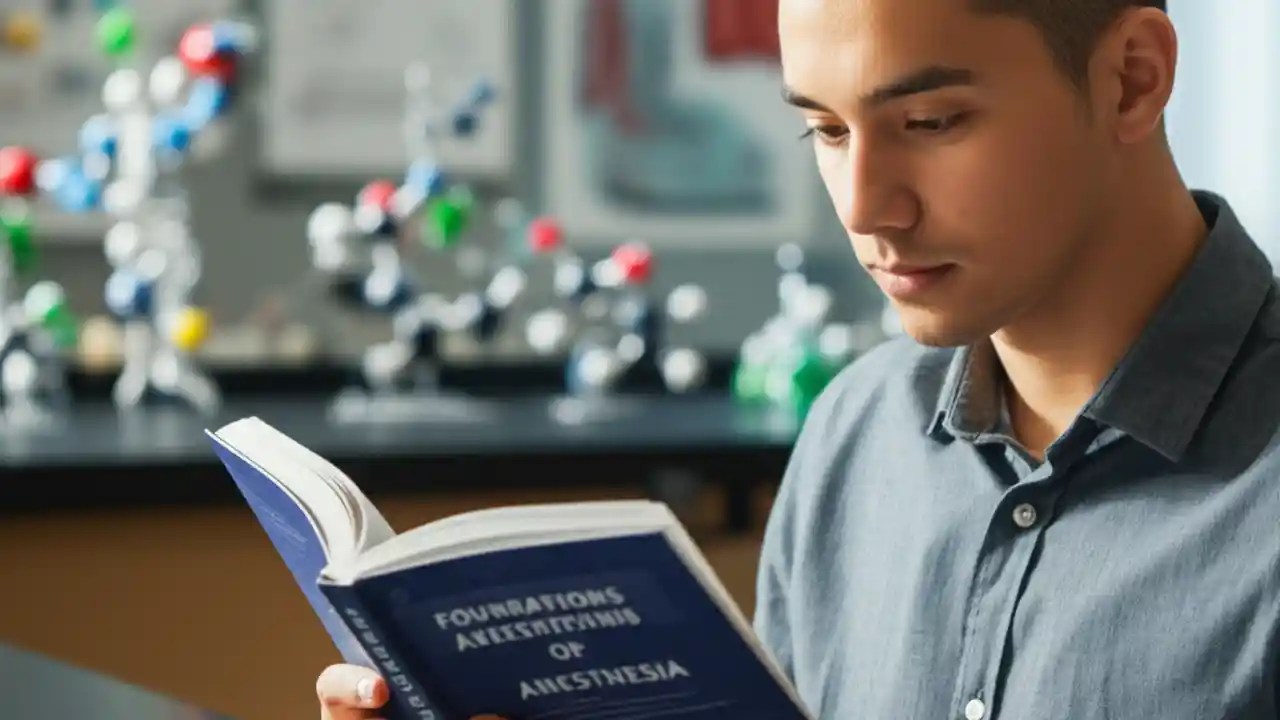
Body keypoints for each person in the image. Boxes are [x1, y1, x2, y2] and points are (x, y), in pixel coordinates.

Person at [318, 0, 1280, 717]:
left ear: (1132, 79)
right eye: (825, 128)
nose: (862, 206)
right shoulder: (855, 435)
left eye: (930, 122)